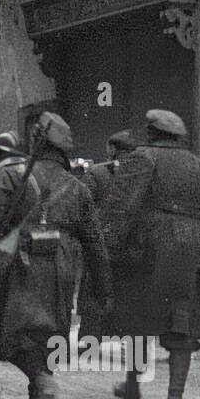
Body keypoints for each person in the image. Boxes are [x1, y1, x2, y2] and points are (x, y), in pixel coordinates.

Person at [0, 112, 112, 399]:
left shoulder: (15, 175)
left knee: (13, 332)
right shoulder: (79, 187)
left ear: (36, 141)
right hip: (62, 265)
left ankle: (41, 383)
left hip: (22, 260)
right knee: (50, 334)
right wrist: (102, 287)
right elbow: (95, 243)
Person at [98, 109, 200, 399]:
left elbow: (122, 207)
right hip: (192, 253)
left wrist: (106, 247)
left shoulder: (142, 157)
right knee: (181, 325)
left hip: (150, 249)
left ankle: (133, 388)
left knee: (138, 318)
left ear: (152, 133)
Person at [77, 130, 136, 343]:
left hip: (101, 242)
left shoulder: (97, 173)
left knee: (94, 290)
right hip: (131, 245)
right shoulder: (142, 172)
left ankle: (90, 343)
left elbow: (82, 204)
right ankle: (130, 347)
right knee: (128, 294)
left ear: (112, 149)